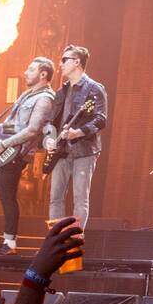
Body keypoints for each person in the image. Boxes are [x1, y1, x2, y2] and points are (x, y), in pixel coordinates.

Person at [0, 57, 57, 255]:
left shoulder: (45, 99)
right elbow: (13, 126)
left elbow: (32, 130)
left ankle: (10, 244)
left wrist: (3, 143)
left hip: (16, 154)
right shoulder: (26, 96)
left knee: (6, 196)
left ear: (43, 74)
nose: (26, 72)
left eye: (31, 69)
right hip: (3, 150)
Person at [45, 45, 108, 230]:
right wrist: (49, 138)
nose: (61, 64)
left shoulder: (94, 89)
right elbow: (50, 122)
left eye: (65, 60)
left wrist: (77, 133)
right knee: (55, 198)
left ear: (77, 62)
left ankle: (74, 240)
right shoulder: (61, 91)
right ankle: (56, 240)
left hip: (84, 151)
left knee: (80, 198)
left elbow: (100, 120)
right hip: (61, 151)